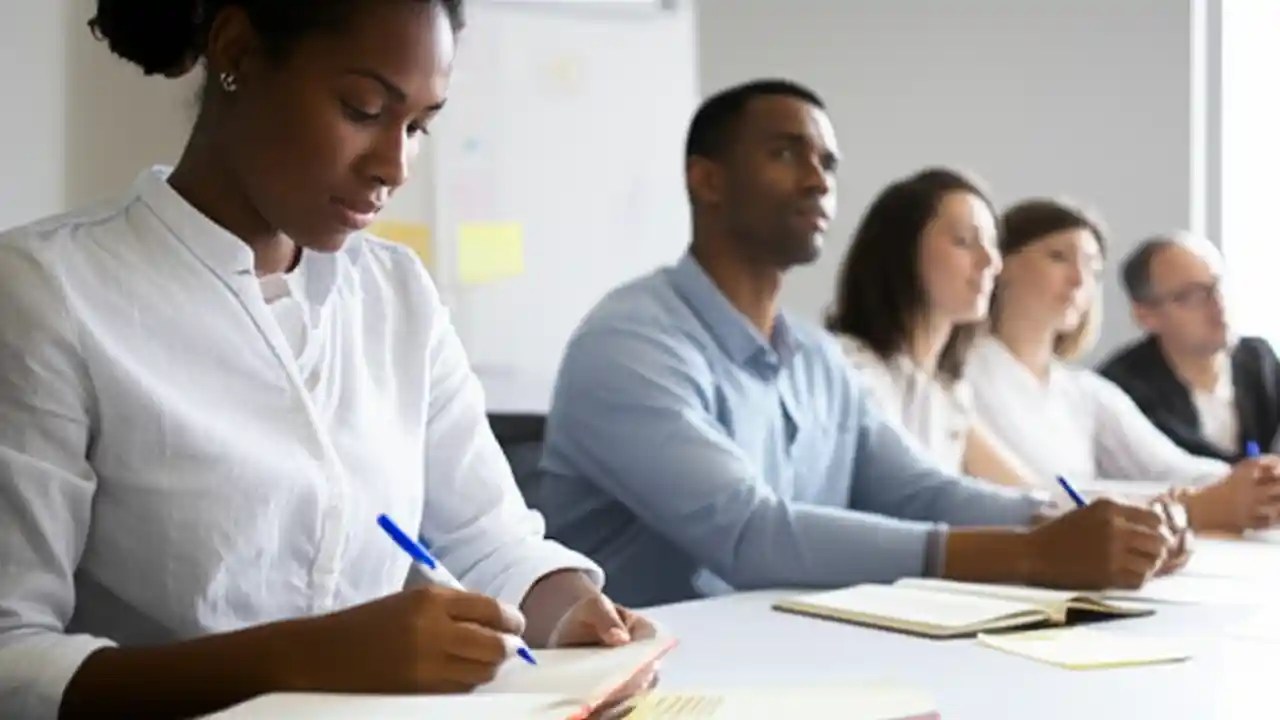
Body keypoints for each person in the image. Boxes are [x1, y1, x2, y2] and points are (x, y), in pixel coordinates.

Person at [0, 3, 653, 719]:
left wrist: (575, 617)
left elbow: (491, 537)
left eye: (418, 125)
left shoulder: (397, 293)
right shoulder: (46, 292)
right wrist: (303, 658)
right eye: (362, 108)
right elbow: (11, 659)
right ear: (238, 53)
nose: (393, 166)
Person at [538, 79, 1179, 610]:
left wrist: (1070, 519)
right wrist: (1032, 555)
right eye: (787, 154)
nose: (818, 181)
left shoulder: (816, 358)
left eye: (827, 163)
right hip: (662, 678)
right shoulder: (630, 343)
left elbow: (918, 490)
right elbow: (749, 535)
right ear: (706, 180)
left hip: (792, 652)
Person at [968, 199, 1280, 534]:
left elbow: (1167, 465)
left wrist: (1259, 481)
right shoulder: (961, 376)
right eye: (1058, 257)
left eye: (1092, 268)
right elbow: (1029, 497)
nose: (1079, 279)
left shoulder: (1084, 391)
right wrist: (1191, 506)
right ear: (999, 263)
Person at [826, 168, 1036, 487]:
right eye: (965, 241)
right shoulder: (851, 369)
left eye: (993, 245)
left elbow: (1028, 491)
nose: (991, 262)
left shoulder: (946, 392)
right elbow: (913, 494)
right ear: (901, 250)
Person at [1099, 232, 1280, 462]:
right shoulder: (1121, 389)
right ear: (1146, 315)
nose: (1218, 304)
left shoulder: (1258, 360)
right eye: (1194, 295)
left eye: (1219, 285)